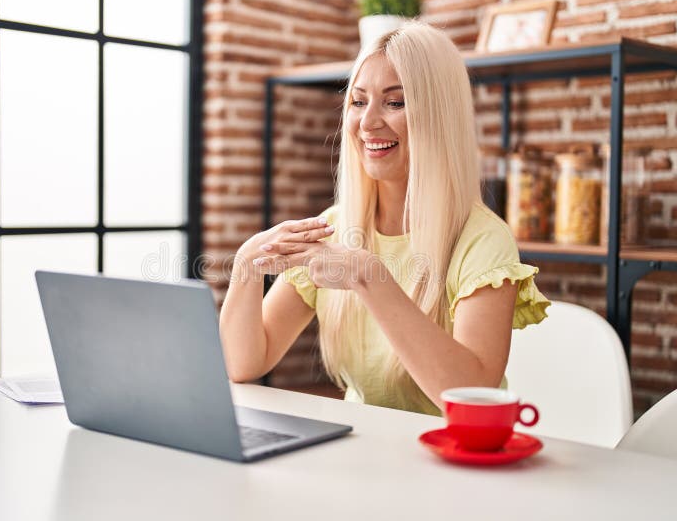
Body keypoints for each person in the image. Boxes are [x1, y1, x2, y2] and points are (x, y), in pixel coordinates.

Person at [218, 21, 550, 416]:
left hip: (455, 463)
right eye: (358, 102)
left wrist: (367, 277)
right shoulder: (336, 227)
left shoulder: (482, 241)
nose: (368, 122)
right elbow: (244, 364)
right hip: (365, 451)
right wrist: (247, 264)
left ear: (438, 116)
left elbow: (471, 394)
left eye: (395, 102)